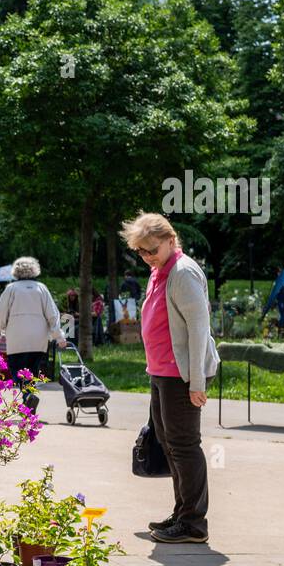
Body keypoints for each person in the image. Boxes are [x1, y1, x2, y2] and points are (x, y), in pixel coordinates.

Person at [121, 212, 219, 546]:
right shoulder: (159, 271)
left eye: (152, 249)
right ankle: (182, 513)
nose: (147, 256)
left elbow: (198, 328)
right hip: (163, 371)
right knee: (170, 443)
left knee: (184, 445)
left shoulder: (183, 272)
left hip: (181, 375)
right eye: (142, 251)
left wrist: (197, 382)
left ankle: (194, 523)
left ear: (171, 240)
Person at [0, 256, 66, 414]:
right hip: (39, 339)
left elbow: (0, 313)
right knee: (33, 370)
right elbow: (53, 314)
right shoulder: (41, 288)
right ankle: (29, 399)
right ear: (34, 270)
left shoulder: (11, 289)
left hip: (17, 339)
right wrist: (59, 336)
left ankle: (28, 396)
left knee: (17, 370)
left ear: (16, 272)